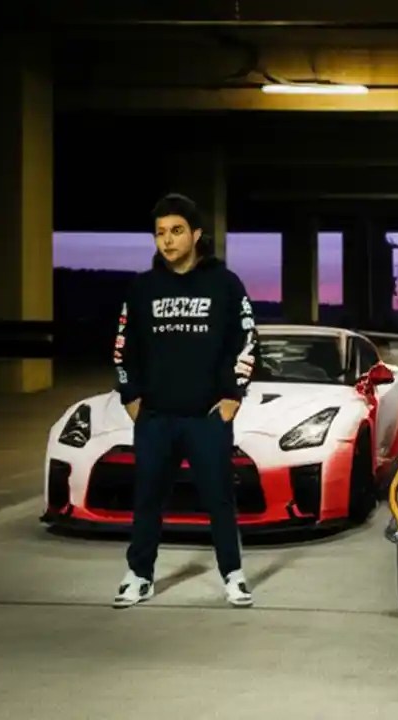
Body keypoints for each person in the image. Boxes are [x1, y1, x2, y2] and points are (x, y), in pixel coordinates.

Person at [111, 192, 261, 609]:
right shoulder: (142, 288)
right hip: (156, 417)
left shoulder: (225, 284)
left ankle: (233, 575)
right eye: (160, 233)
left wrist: (232, 397)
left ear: (196, 234)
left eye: (176, 231)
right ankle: (139, 575)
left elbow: (247, 341)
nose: (167, 241)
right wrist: (131, 398)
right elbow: (124, 347)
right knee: (147, 498)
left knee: (218, 499)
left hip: (206, 417)